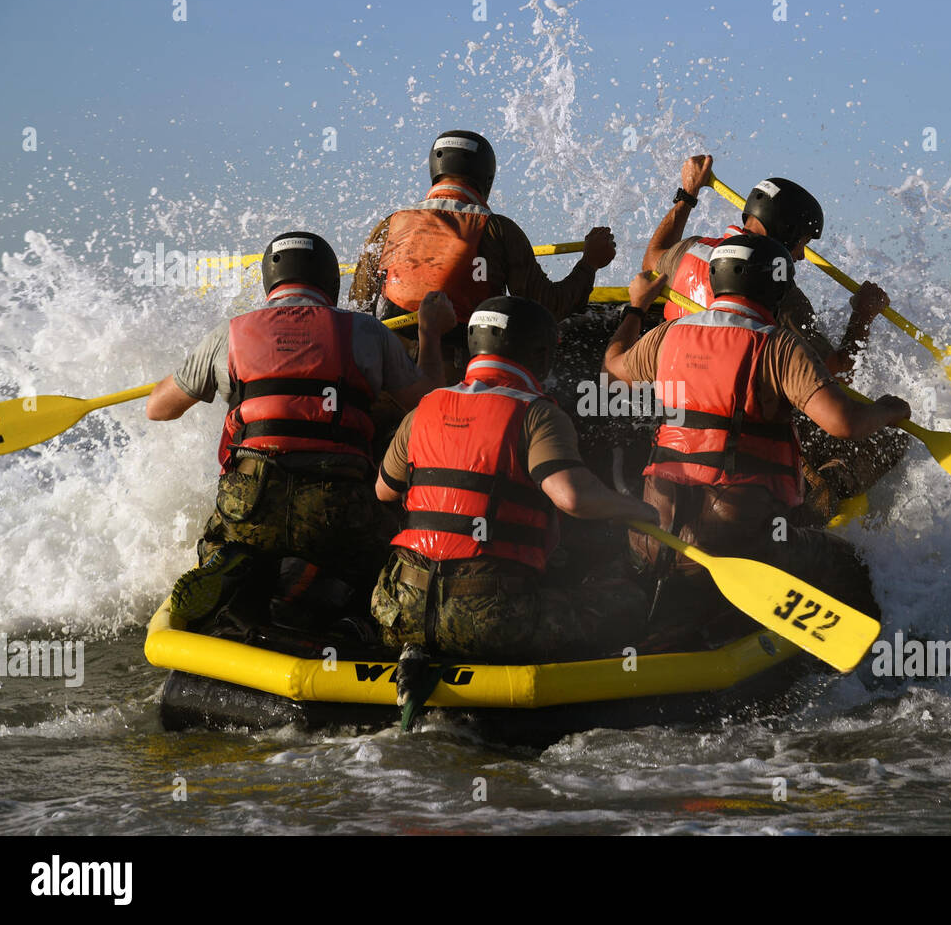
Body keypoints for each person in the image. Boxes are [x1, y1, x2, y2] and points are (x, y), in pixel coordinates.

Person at [604, 234, 911, 648]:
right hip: (733, 543)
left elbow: (613, 368)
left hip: (651, 540)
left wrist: (636, 306)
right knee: (850, 564)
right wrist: (890, 410)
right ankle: (869, 664)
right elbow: (844, 423)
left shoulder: (667, 335)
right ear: (777, 286)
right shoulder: (777, 345)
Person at [146, 231, 458, 624]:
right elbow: (431, 403)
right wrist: (431, 333)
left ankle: (231, 560)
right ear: (330, 280)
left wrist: (193, 369)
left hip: (250, 502)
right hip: (335, 505)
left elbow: (158, 409)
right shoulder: (366, 332)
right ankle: (317, 594)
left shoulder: (228, 334)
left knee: (238, 534)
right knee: (373, 554)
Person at [370, 295, 658, 665]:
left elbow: (383, 489)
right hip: (489, 621)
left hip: (398, 609)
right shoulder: (537, 414)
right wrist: (637, 509)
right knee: (626, 601)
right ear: (538, 355)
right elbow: (572, 497)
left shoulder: (425, 406)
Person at [641, 155, 906, 511]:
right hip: (745, 438)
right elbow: (838, 373)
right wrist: (863, 316)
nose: (800, 257)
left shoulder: (688, 252)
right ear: (784, 235)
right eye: (802, 245)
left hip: (680, 426)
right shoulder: (780, 293)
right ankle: (820, 504)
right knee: (888, 437)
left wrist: (687, 194)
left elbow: (650, 261)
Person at [347, 129, 618, 384]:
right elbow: (548, 308)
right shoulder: (498, 230)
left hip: (389, 373)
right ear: (487, 180)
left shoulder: (389, 225)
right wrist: (589, 263)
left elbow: (358, 306)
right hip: (457, 377)